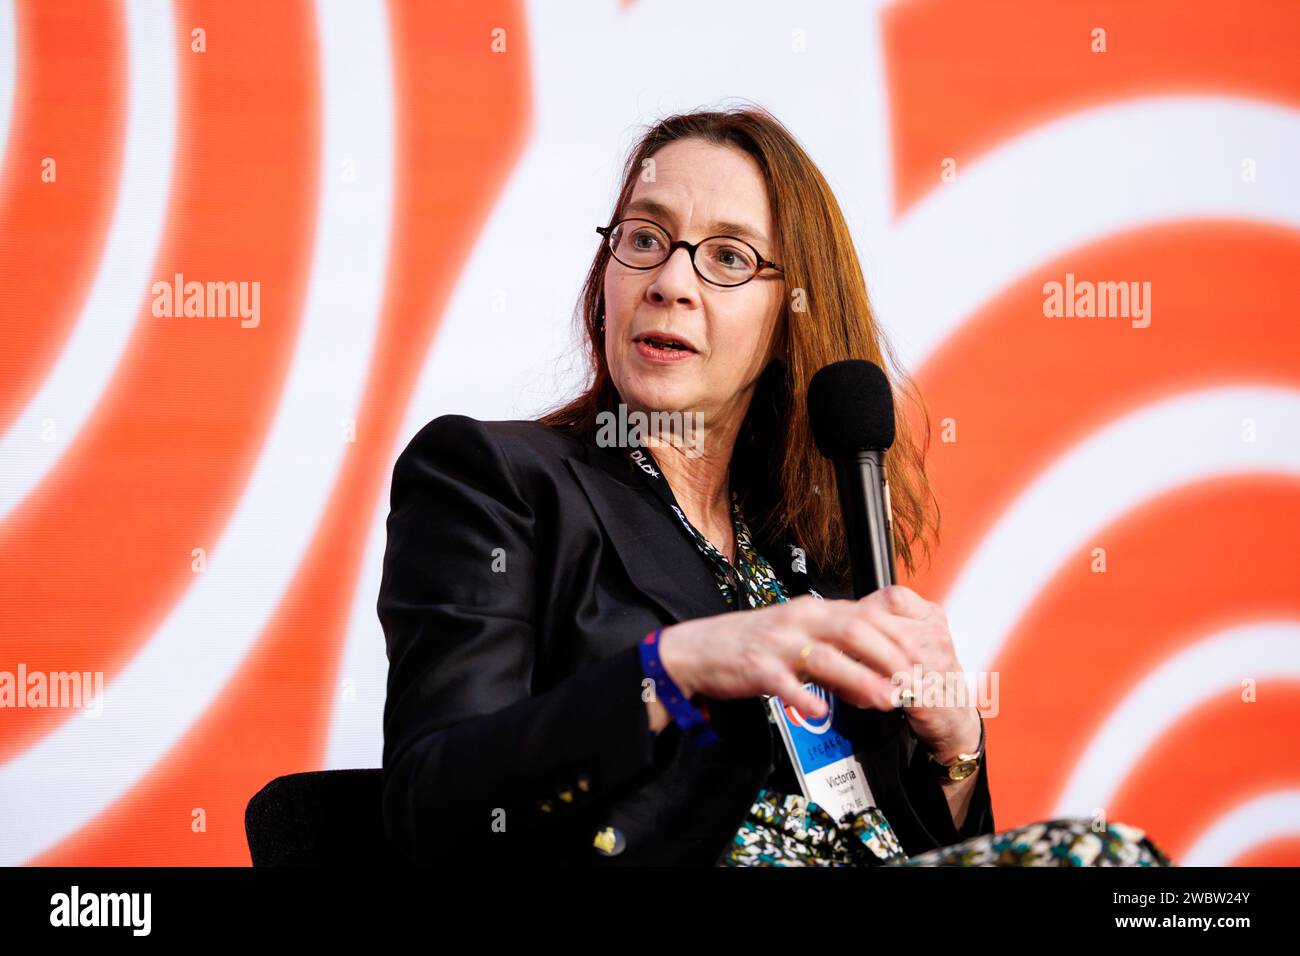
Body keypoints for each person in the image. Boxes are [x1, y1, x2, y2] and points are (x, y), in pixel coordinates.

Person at [378, 104, 1173, 867]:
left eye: (729, 257)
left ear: (791, 313)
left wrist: (958, 747)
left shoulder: (805, 549)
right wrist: (675, 666)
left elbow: (915, 844)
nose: (670, 282)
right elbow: (432, 805)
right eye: (645, 239)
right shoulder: (495, 480)